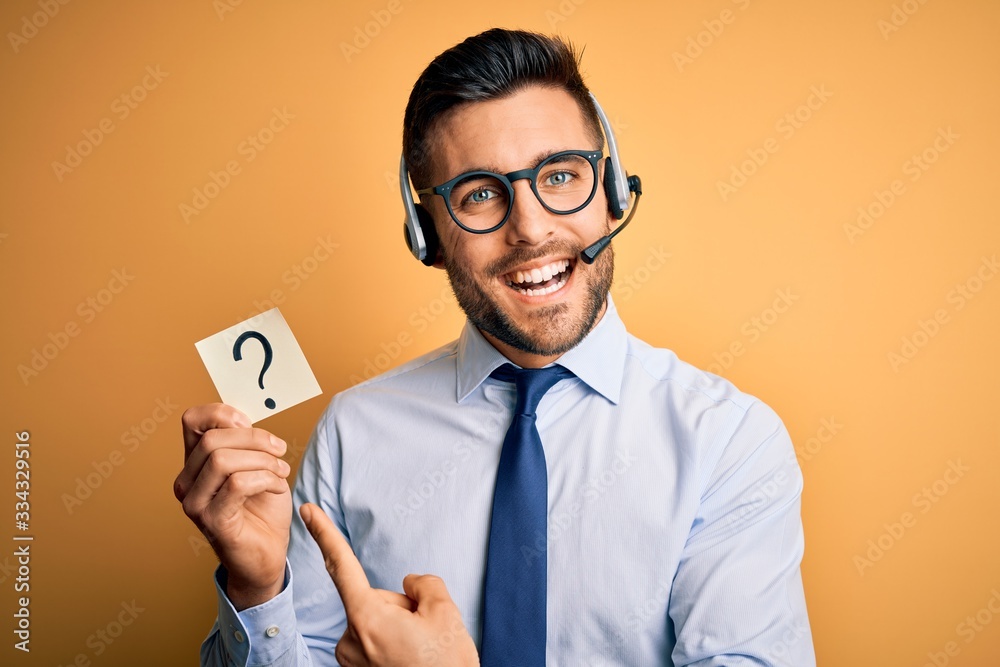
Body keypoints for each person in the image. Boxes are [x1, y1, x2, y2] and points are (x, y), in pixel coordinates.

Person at [175, 28, 816, 666]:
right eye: (480, 194)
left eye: (561, 176)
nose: (532, 228)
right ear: (426, 233)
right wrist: (258, 591)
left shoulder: (729, 443)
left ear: (613, 191)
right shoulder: (353, 432)